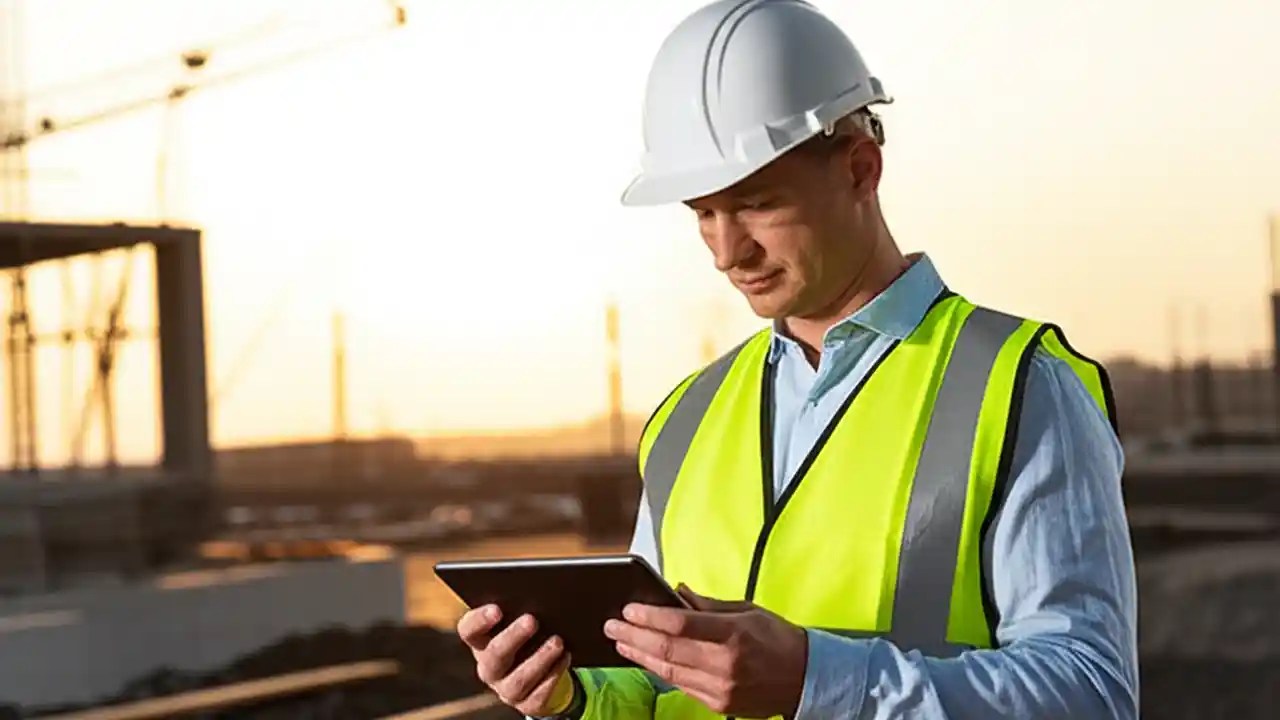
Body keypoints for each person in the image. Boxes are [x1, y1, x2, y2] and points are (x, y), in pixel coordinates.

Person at [456, 0, 1139, 717]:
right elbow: (653, 687)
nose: (727, 253)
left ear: (859, 170)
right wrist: (569, 699)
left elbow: (1090, 694)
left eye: (755, 203)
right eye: (703, 213)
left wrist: (818, 680)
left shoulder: (1019, 385)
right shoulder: (688, 418)